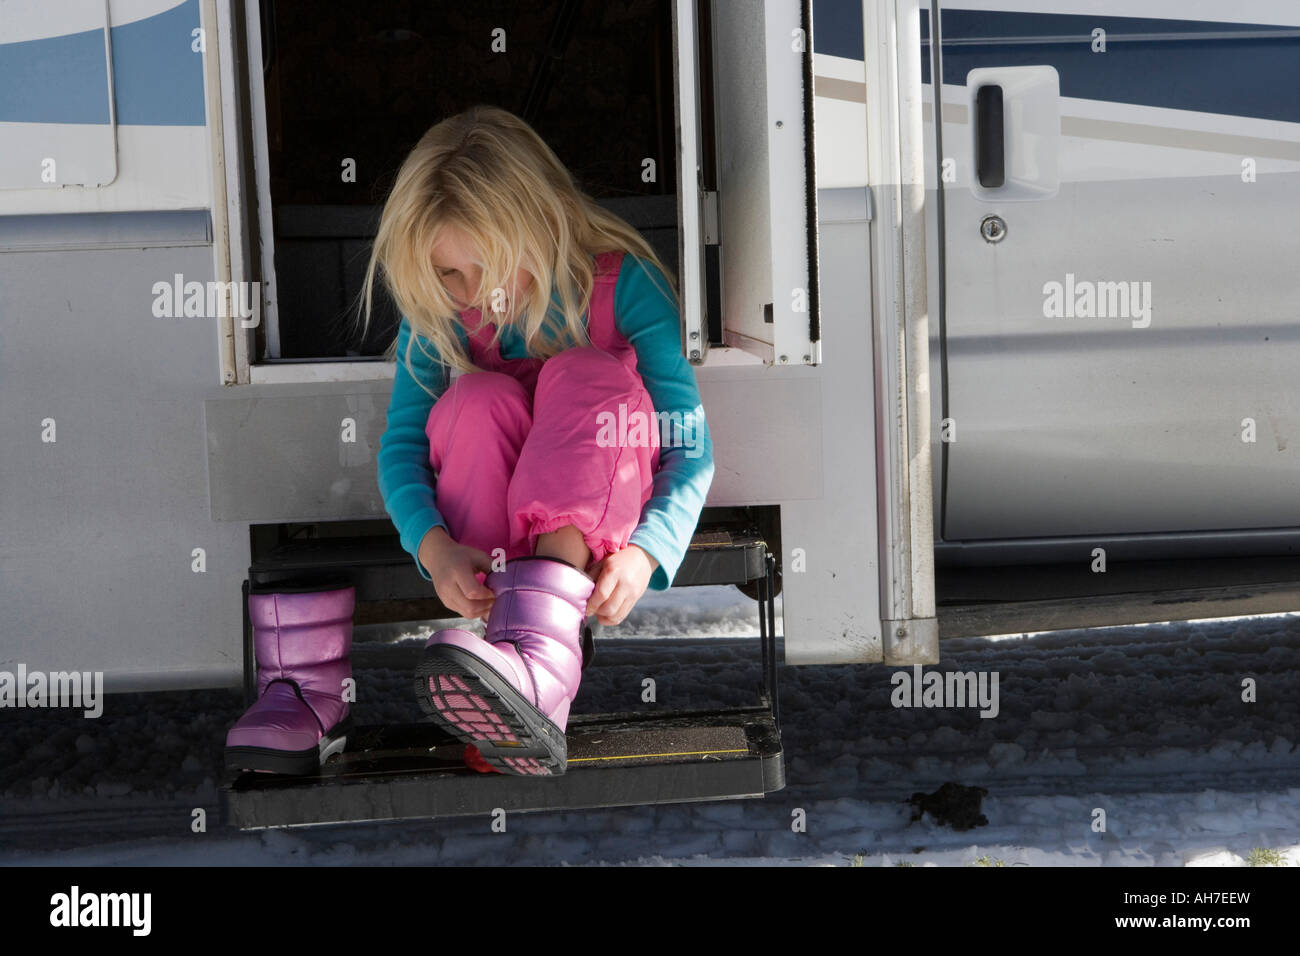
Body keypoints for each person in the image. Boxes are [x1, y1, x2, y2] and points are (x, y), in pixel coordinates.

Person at [228, 104, 715, 778]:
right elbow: (402, 446)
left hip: (600, 507)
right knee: (476, 402)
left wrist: (647, 553)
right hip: (497, 558)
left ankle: (542, 666)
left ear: (539, 224)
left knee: (581, 373)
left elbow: (688, 442)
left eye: (484, 267)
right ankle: (509, 670)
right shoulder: (441, 316)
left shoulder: (622, 285)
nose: (471, 293)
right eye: (448, 274)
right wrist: (436, 549)